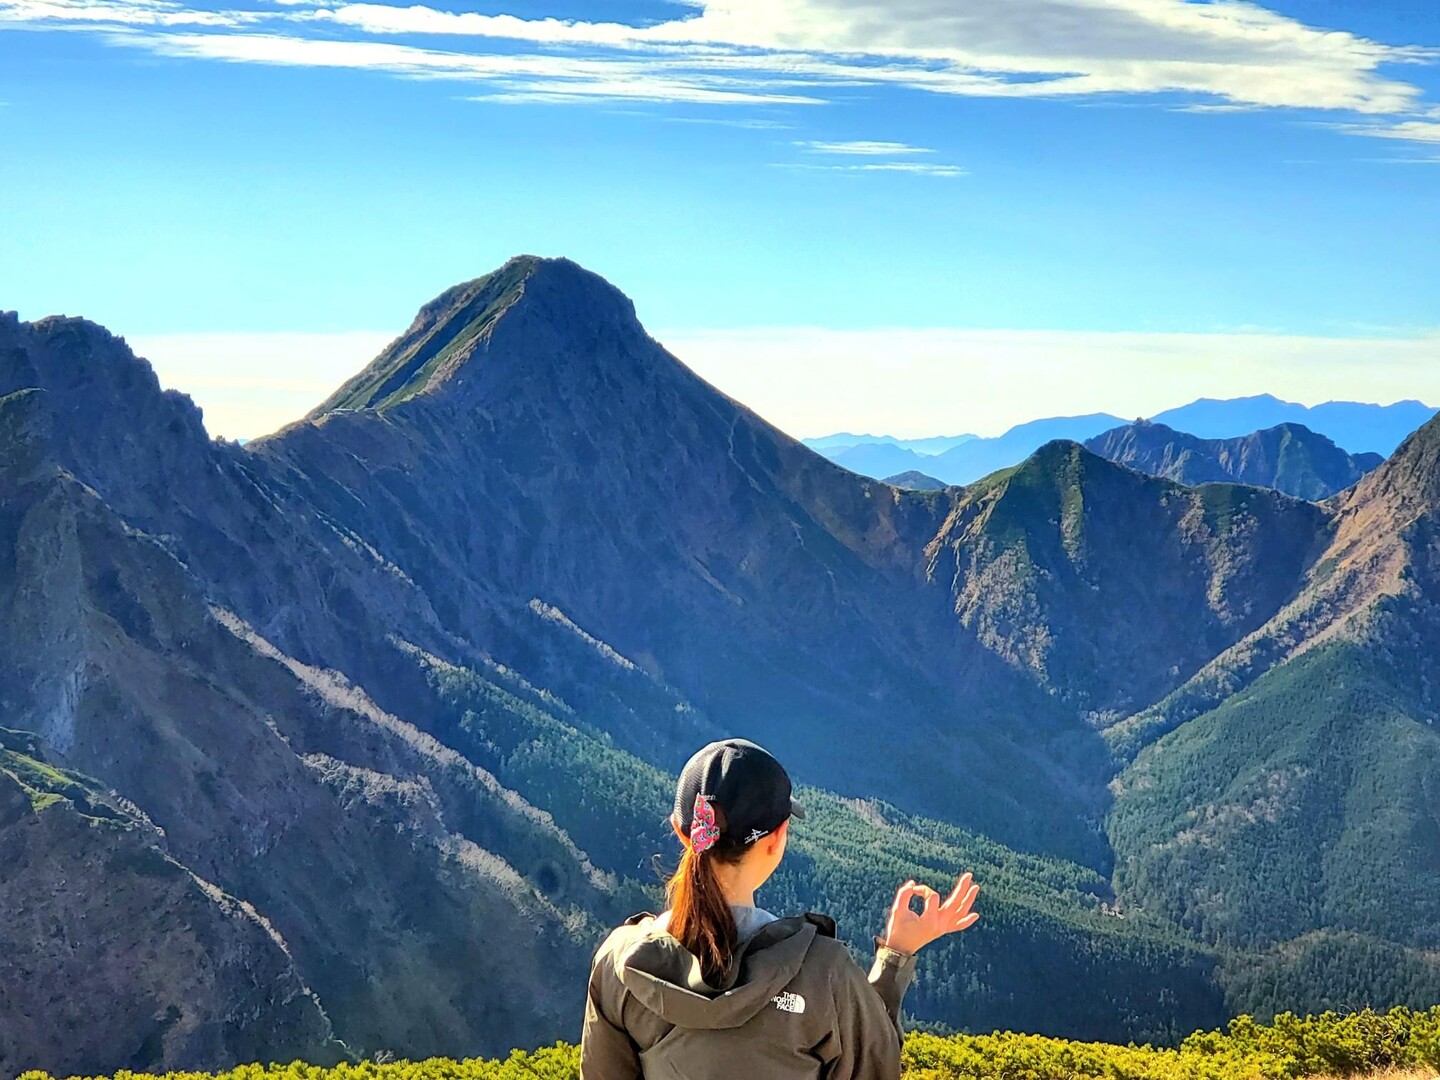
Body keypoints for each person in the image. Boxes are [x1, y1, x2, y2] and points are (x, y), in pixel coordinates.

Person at [580, 738, 981, 1080]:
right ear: (776, 838)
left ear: (681, 831)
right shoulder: (821, 971)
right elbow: (875, 1065)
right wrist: (895, 958)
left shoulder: (620, 964)